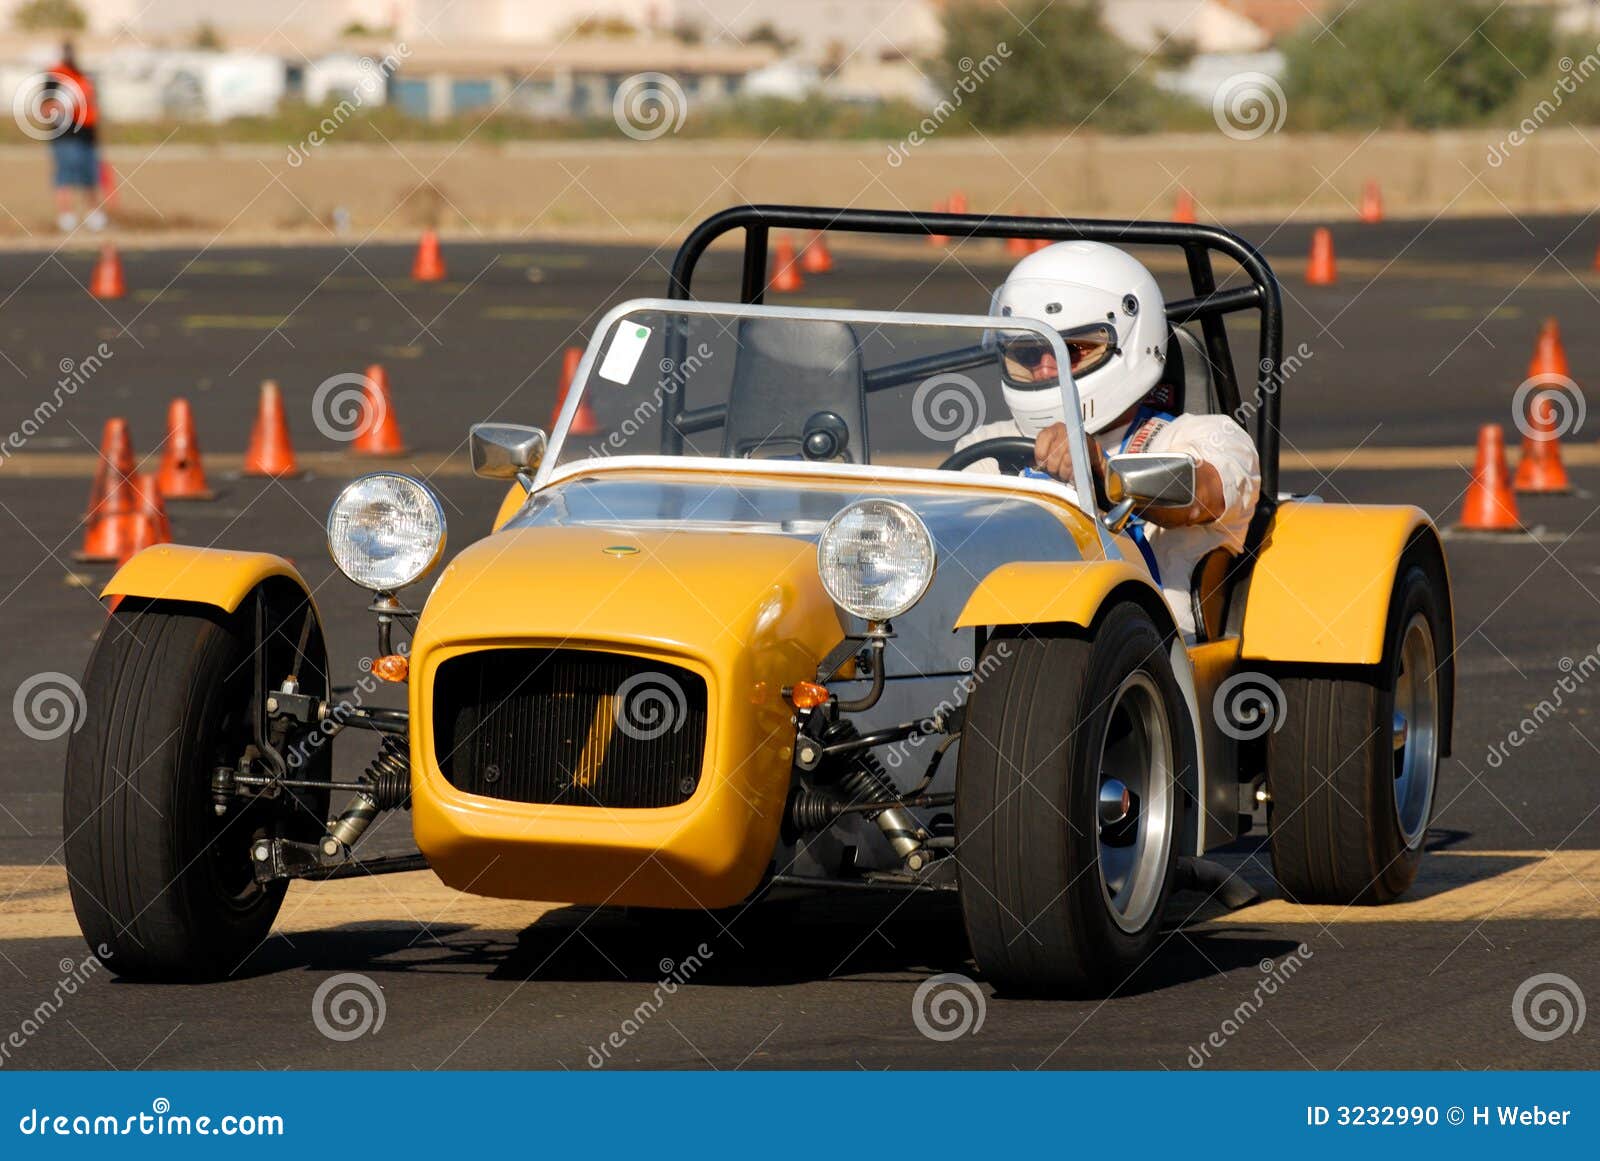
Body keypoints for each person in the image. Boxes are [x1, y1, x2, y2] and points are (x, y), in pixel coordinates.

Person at [957, 240, 1261, 637]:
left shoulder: (1199, 437)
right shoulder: (983, 449)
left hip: (1150, 662)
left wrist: (1105, 474)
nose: (1047, 369)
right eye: (1029, 353)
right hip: (1000, 654)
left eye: (1073, 350)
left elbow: (1204, 493)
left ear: (1130, 344)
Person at [41, 43, 107, 233]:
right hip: (65, 137)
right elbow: (45, 109)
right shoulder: (53, 78)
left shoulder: (83, 77)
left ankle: (94, 215)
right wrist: (63, 104)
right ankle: (66, 216)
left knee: (91, 176)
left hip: (88, 136)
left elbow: (94, 106)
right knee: (65, 175)